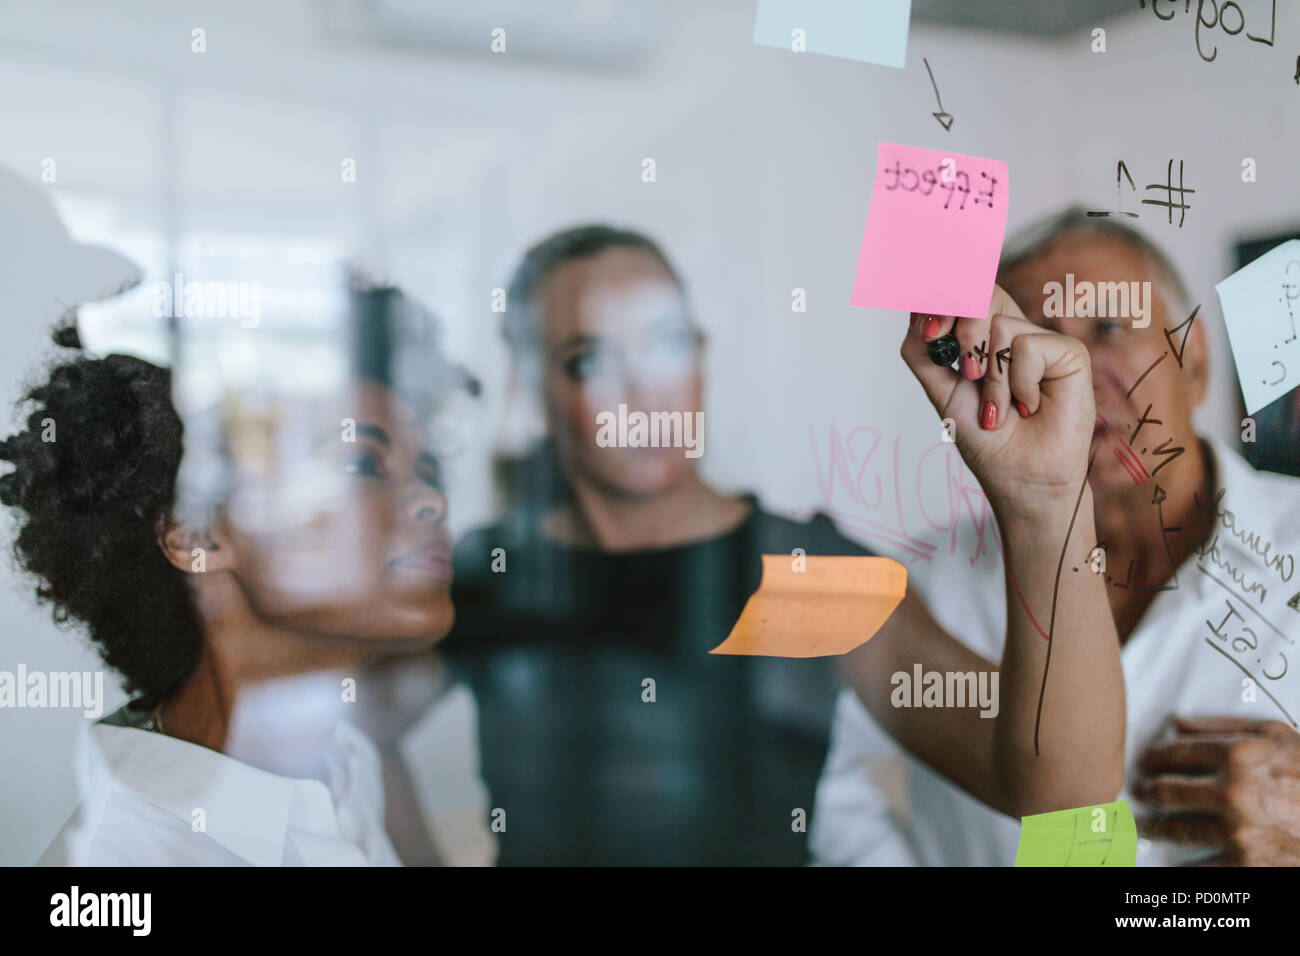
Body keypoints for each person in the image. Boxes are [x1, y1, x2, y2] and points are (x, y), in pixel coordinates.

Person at [445, 224, 1127, 865]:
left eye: (667, 342)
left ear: (703, 356)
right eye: (589, 359)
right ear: (529, 392)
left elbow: (1062, 795)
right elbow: (352, 741)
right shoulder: (486, 574)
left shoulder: (808, 575)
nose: (645, 391)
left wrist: (1046, 503)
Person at [811, 207, 1300, 867]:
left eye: (1106, 327)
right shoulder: (921, 585)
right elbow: (851, 811)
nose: (1072, 367)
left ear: (1197, 360)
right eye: (1033, 340)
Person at [7, 282, 488, 866]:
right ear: (198, 533)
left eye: (429, 465)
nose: (433, 502)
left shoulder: (344, 756)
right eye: (363, 461)